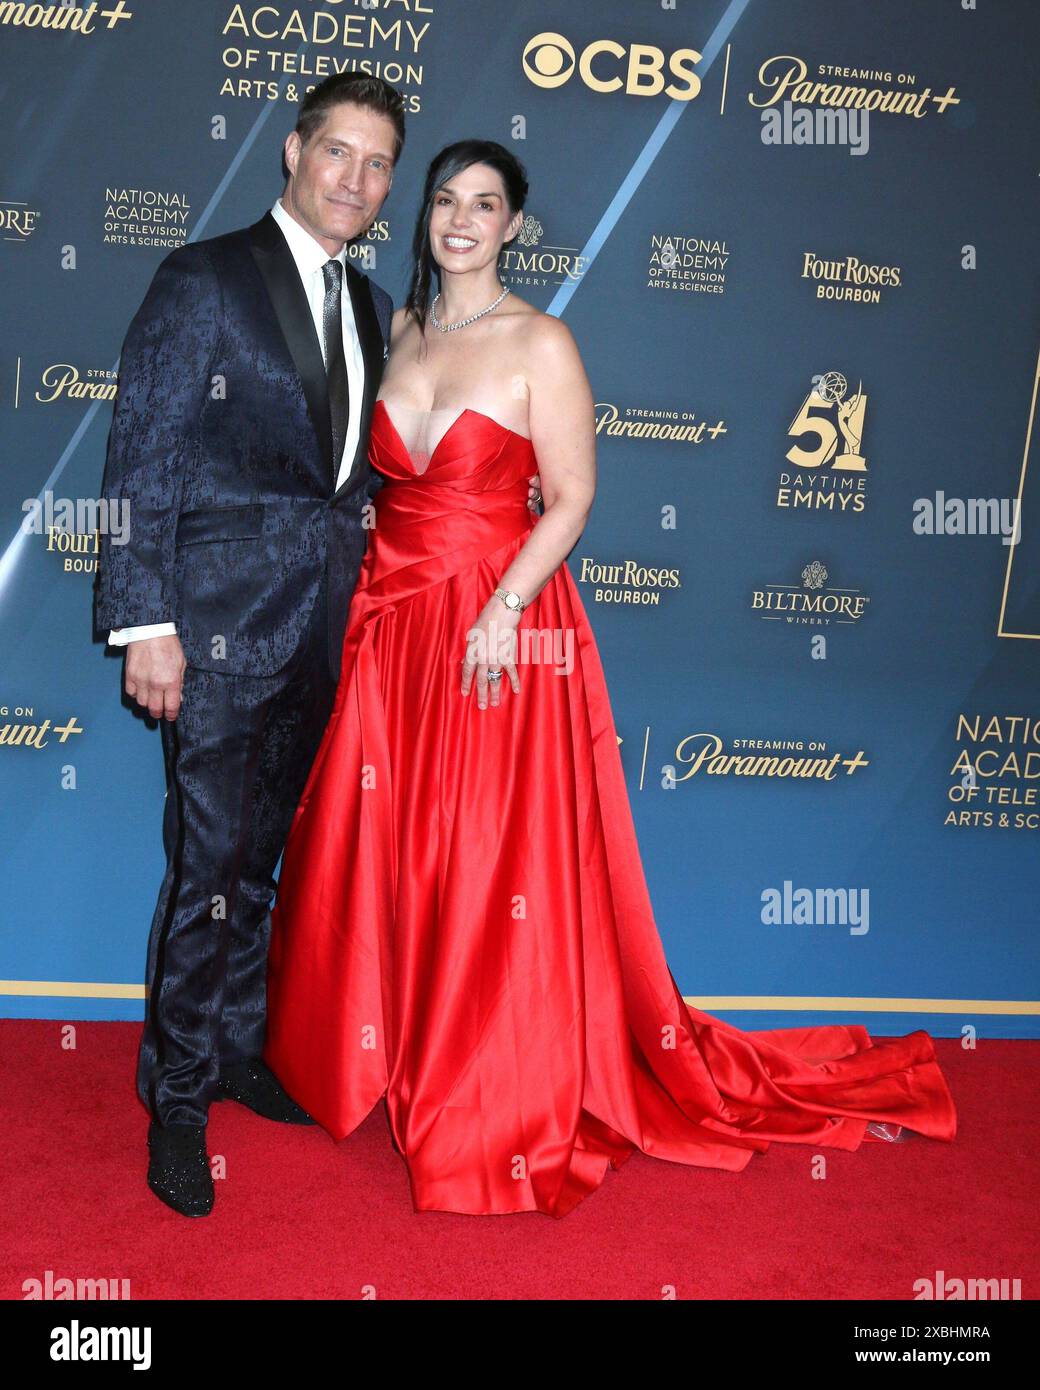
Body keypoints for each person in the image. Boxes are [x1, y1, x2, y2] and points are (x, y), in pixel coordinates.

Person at [263, 140, 956, 1219]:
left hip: (502, 631)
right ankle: (380, 1049)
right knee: (394, 844)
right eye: (444, 200)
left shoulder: (541, 340)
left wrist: (500, 615)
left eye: (483, 205)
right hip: (391, 627)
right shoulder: (395, 331)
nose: (459, 221)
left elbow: (572, 500)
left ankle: (483, 1085)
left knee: (490, 855)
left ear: (512, 225)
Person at [96, 74, 542, 1219]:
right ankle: (179, 1101)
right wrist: (146, 620)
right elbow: (141, 454)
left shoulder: (372, 301)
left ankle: (241, 1049)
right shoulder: (203, 276)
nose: (354, 178)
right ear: (291, 150)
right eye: (335, 151)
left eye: (376, 162)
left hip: (334, 634)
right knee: (207, 871)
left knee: (268, 868)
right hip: (212, 629)